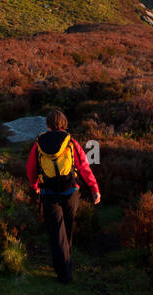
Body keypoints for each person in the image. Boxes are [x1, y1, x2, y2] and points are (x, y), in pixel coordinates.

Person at [25, 108, 100, 284]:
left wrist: (35, 186)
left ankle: (63, 274)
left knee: (57, 234)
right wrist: (94, 189)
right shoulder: (70, 142)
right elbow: (84, 167)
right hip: (70, 191)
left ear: (48, 124)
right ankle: (67, 265)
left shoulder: (39, 143)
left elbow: (31, 169)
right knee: (67, 230)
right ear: (63, 123)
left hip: (48, 193)